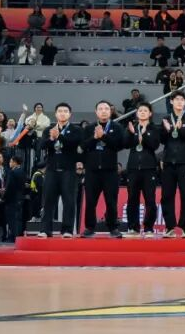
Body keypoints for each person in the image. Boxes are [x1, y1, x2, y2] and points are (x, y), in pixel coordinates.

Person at [80, 100, 125, 237]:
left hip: (110, 170)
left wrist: (104, 137)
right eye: (100, 109)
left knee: (111, 200)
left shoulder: (117, 127)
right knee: (90, 200)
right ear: (96, 111)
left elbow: (119, 146)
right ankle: (89, 227)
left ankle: (113, 227)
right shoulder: (89, 128)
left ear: (110, 111)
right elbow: (83, 146)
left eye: (106, 108)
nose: (103, 111)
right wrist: (95, 138)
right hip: (92, 171)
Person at [39, 103, 83, 238]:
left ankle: (67, 230)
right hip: (51, 170)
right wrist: (51, 138)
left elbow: (74, 144)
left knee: (69, 201)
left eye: (65, 111)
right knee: (48, 201)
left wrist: (59, 136)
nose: (62, 113)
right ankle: (45, 230)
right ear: (55, 114)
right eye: (60, 111)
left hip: (68, 170)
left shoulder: (76, 129)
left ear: (70, 114)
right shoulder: (48, 130)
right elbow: (42, 146)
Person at [159, 91, 185, 237]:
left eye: (182, 99)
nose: (179, 102)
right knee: (167, 196)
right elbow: (162, 140)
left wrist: (181, 129)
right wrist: (167, 130)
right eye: (177, 99)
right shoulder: (166, 118)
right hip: (168, 162)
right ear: (171, 101)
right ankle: (169, 227)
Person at [125, 102, 161, 237]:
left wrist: (144, 135)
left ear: (150, 113)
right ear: (137, 113)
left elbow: (154, 145)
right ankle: (133, 227)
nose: (142, 112)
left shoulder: (154, 128)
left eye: (145, 110)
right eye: (140, 110)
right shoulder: (132, 127)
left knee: (150, 199)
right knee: (132, 199)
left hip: (149, 168)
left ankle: (148, 228)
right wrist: (131, 134)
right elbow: (125, 144)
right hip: (133, 168)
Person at [3, 152, 26, 245]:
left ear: (15, 162)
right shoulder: (22, 171)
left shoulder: (12, 172)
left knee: (12, 218)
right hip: (20, 197)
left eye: (10, 161)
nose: (9, 163)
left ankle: (13, 236)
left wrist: (4, 197)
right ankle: (18, 235)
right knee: (18, 218)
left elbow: (9, 187)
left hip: (12, 198)